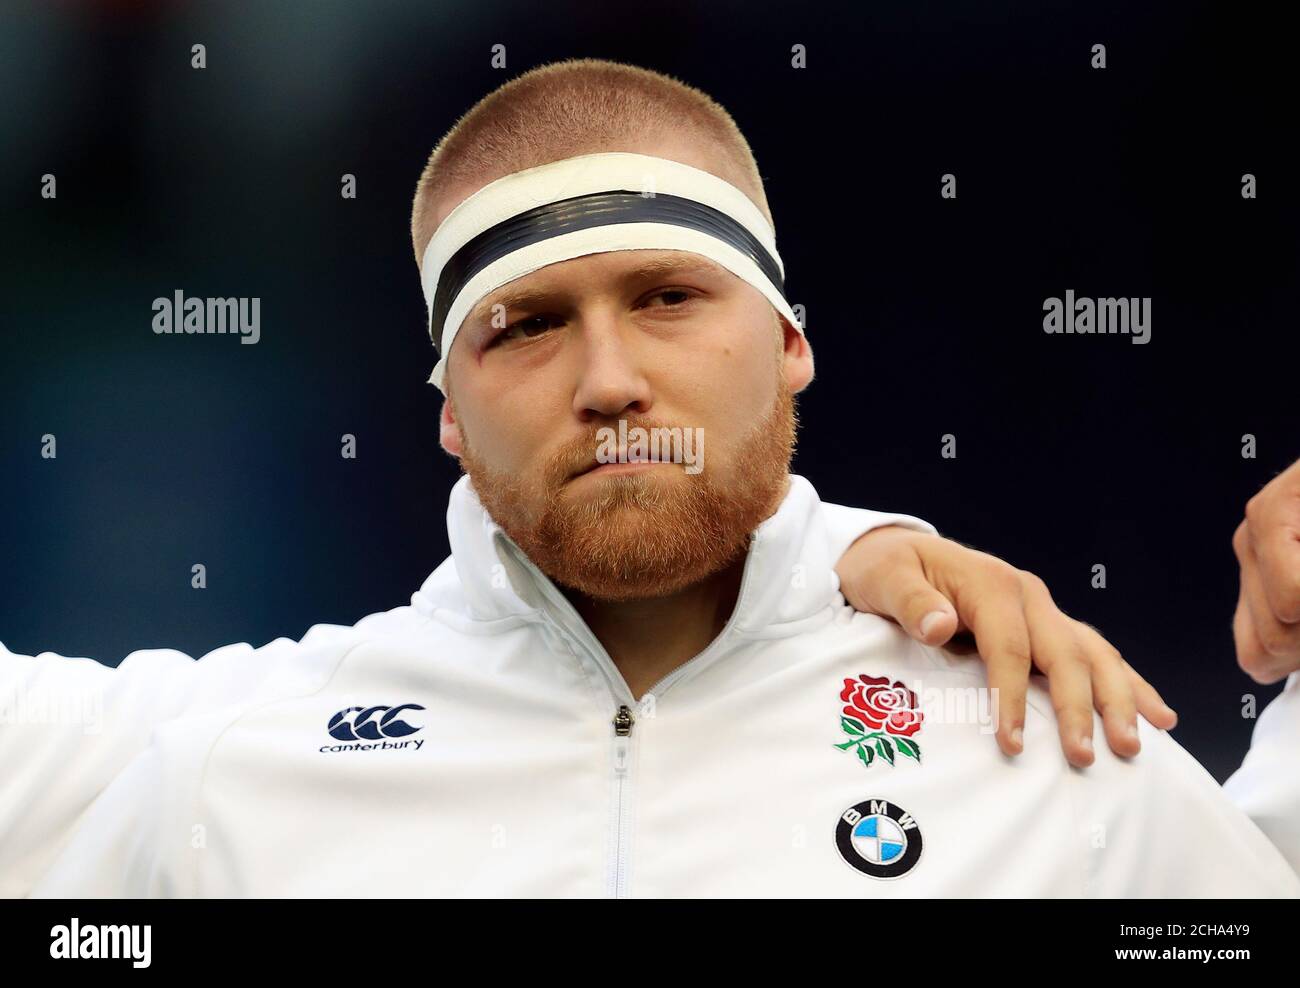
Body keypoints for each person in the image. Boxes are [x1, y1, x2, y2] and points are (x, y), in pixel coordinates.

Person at [2, 58, 1293, 896]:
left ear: (789, 342)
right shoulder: (236, 771)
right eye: (525, 326)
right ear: (448, 415)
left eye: (668, 297)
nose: (608, 380)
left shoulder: (1050, 747)